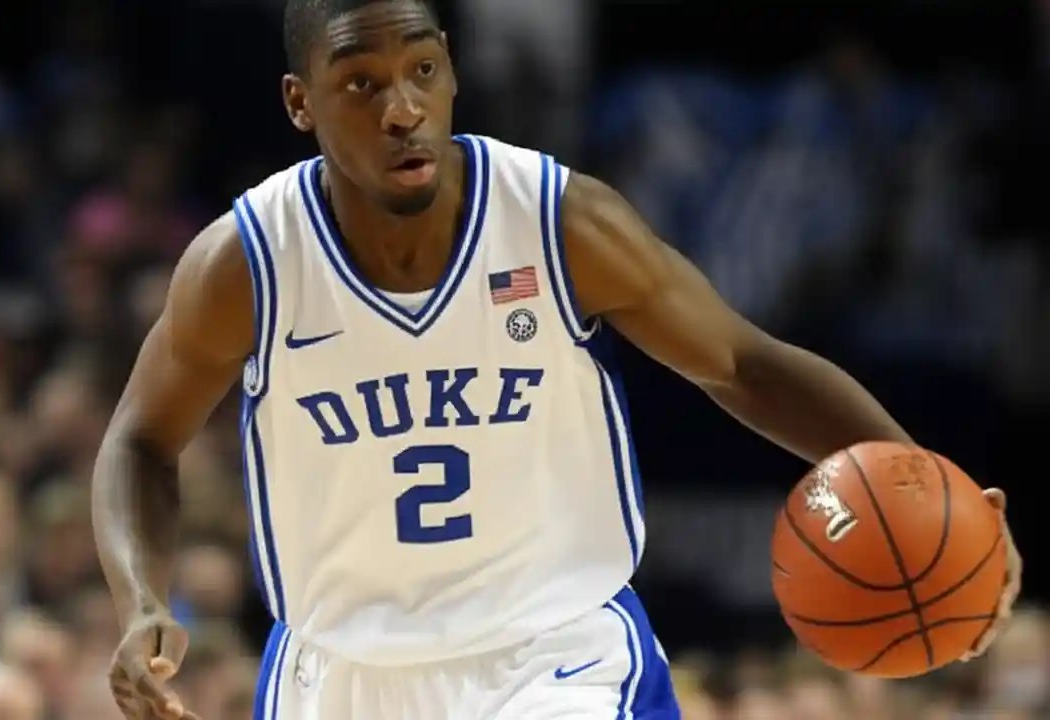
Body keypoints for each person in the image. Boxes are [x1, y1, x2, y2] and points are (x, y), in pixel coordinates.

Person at [91, 1, 1024, 718]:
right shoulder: (248, 262)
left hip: (554, 653)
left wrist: (933, 486)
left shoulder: (557, 221)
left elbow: (742, 363)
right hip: (340, 670)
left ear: (452, 68)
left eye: (421, 69)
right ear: (301, 102)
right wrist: (140, 602)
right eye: (362, 83)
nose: (403, 108)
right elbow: (139, 439)